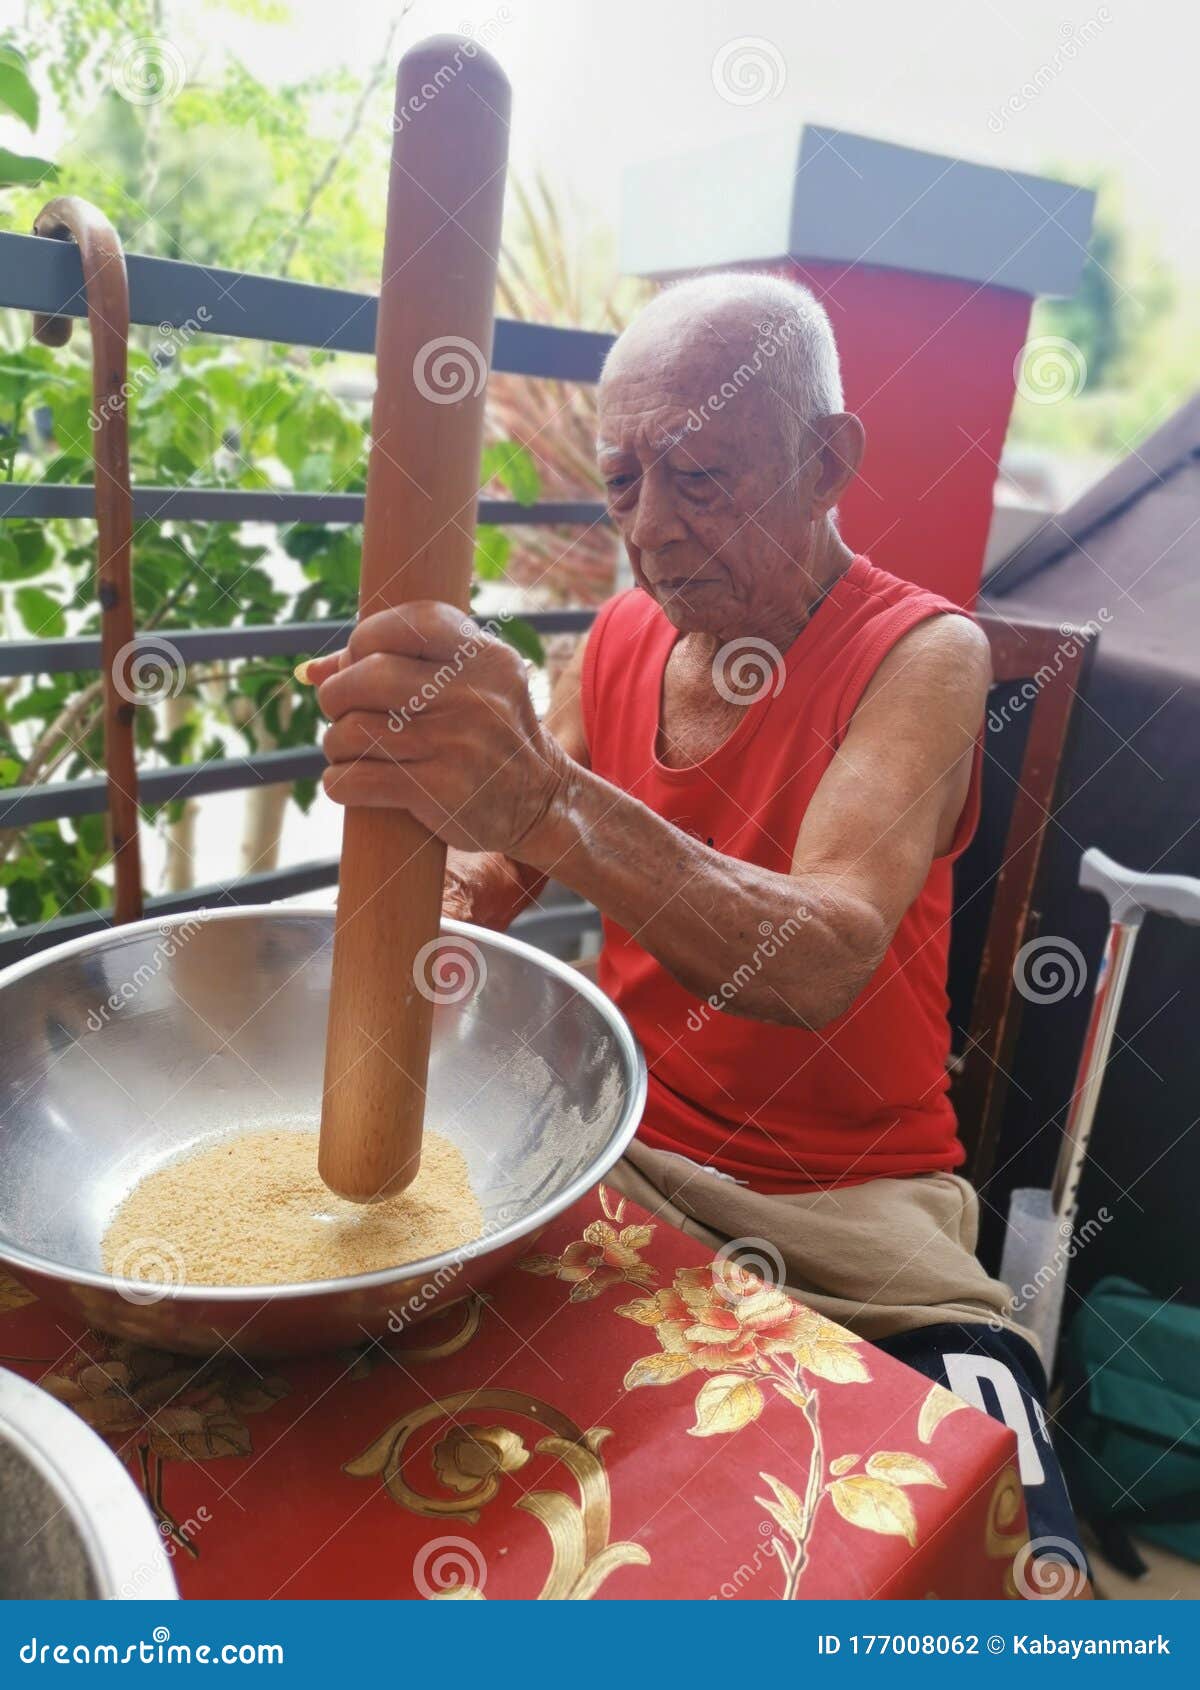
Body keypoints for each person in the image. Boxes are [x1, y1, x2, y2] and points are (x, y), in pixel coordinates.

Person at [303, 271, 1087, 1595]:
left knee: (1012, 1546)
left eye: (701, 475)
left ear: (830, 459)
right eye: (622, 485)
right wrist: (404, 896)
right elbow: (488, 874)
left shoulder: (923, 654)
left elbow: (827, 950)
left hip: (857, 1207)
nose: (651, 532)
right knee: (443, 1488)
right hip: (624, 1159)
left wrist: (545, 796)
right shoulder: (615, 635)